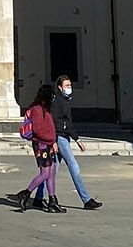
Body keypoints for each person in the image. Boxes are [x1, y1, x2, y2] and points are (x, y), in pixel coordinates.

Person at [50, 74, 101, 210]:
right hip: (60, 137)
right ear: (60, 87)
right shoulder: (57, 101)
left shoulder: (65, 100)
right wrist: (53, 140)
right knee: (74, 166)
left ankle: (36, 196)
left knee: (51, 170)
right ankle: (86, 199)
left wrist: (77, 139)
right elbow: (54, 121)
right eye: (67, 86)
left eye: (70, 85)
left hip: (64, 136)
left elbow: (69, 123)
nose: (69, 88)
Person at [15, 84, 62, 213]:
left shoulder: (46, 109)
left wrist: (53, 142)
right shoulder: (37, 109)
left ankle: (53, 200)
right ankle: (25, 193)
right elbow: (38, 130)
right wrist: (51, 140)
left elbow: (50, 127)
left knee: (51, 173)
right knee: (45, 173)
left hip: (49, 144)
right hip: (41, 144)